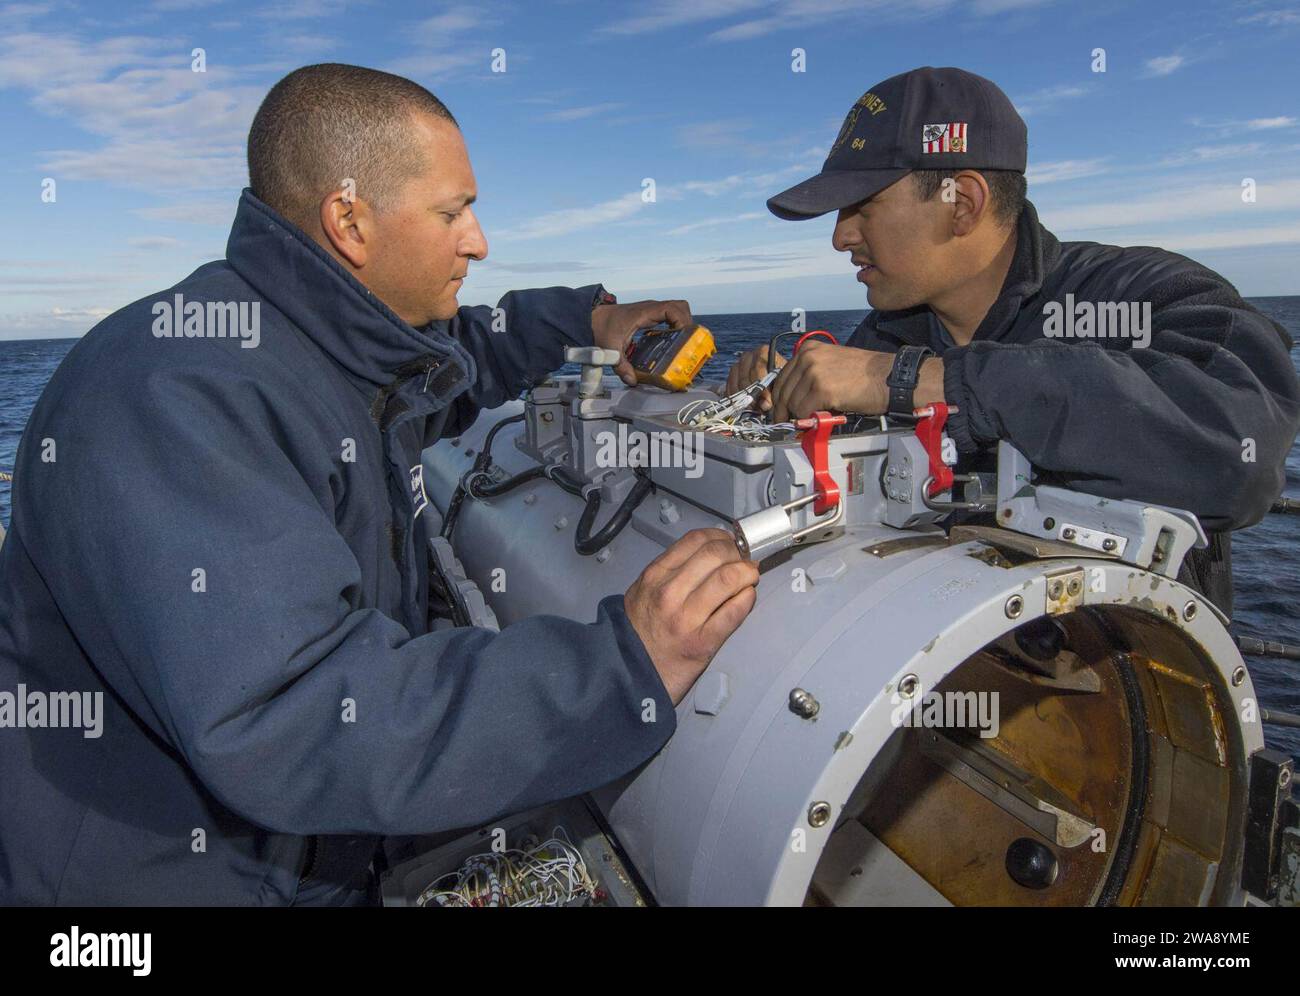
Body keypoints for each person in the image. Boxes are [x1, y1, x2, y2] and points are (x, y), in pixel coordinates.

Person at [0, 63, 758, 905]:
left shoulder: (318, 351)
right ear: (351, 222)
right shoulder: (177, 395)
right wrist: (621, 668)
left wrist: (586, 320)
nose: (478, 240)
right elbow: (298, 718)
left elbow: (452, 368)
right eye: (452, 212)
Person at [727, 66, 1300, 614]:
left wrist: (925, 382)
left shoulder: (1147, 294)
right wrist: (781, 394)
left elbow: (1239, 452)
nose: (840, 237)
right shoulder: (887, 331)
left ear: (962, 203)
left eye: (864, 207)